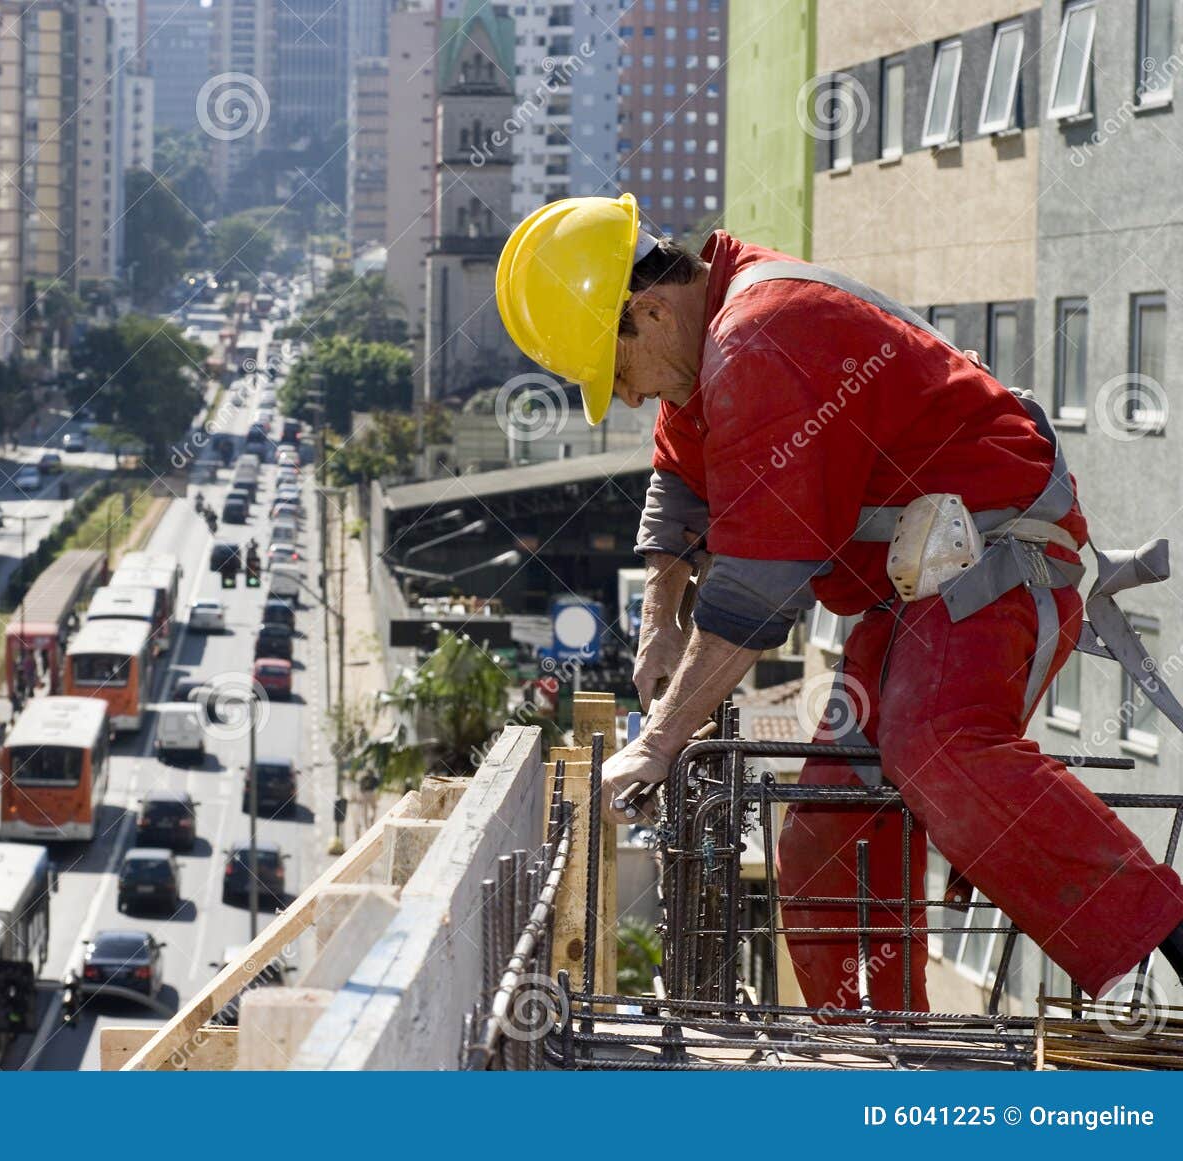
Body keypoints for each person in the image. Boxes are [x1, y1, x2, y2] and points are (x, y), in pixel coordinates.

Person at [495, 193, 1183, 1013]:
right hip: (914, 590)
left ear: (647, 310)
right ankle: (885, 1045)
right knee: (827, 837)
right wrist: (657, 631)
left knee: (934, 743)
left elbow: (758, 589)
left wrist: (660, 741)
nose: (632, 398)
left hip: (1003, 560)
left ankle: (1172, 934)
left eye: (617, 373)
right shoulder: (710, 325)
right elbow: (679, 482)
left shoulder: (758, 337)